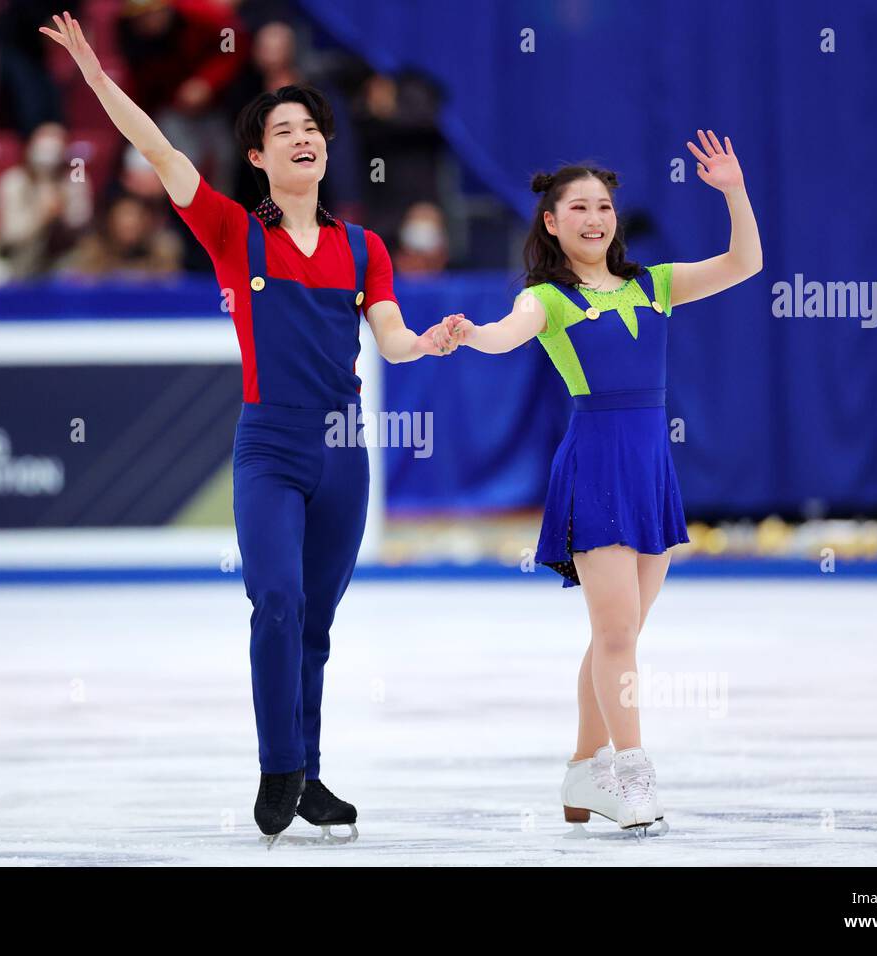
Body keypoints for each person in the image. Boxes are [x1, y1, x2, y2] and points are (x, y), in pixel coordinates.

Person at [41, 12, 457, 844]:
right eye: (284, 131)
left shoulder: (366, 248)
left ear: (326, 150)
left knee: (317, 624)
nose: (303, 138)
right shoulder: (235, 232)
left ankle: (306, 771)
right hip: (270, 446)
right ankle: (279, 767)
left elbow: (393, 342)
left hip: (344, 453)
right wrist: (95, 76)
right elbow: (160, 152)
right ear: (260, 158)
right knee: (275, 597)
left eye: (313, 129)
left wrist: (428, 342)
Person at [445, 131, 762, 833]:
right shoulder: (548, 299)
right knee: (616, 634)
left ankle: (583, 767)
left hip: (651, 469)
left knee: (617, 636)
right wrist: (472, 333)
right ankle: (631, 770)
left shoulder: (655, 285)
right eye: (579, 207)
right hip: (596, 467)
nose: (595, 217)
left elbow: (746, 261)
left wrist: (733, 190)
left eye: (605, 206)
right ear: (551, 222)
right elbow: (507, 331)